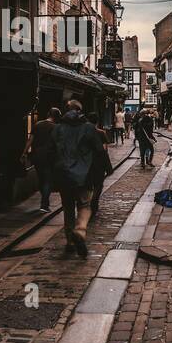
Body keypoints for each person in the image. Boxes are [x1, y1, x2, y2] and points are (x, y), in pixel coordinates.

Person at [51, 100, 104, 258]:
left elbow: (51, 150)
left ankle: (69, 241)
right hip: (83, 175)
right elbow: (99, 151)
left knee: (67, 208)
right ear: (81, 111)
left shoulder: (58, 128)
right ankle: (80, 230)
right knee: (84, 205)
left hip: (63, 175)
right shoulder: (88, 127)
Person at [24, 106, 60, 212]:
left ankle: (45, 201)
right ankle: (44, 205)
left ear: (48, 114)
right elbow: (58, 144)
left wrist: (24, 152)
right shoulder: (56, 127)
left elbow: (30, 140)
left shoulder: (38, 124)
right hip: (49, 157)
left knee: (41, 178)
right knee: (48, 180)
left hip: (37, 156)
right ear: (57, 117)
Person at [85, 112, 112, 217]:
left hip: (86, 164)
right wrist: (108, 167)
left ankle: (87, 204)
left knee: (88, 185)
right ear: (97, 121)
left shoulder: (83, 133)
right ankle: (93, 204)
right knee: (98, 185)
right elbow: (104, 150)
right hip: (98, 164)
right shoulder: (101, 133)